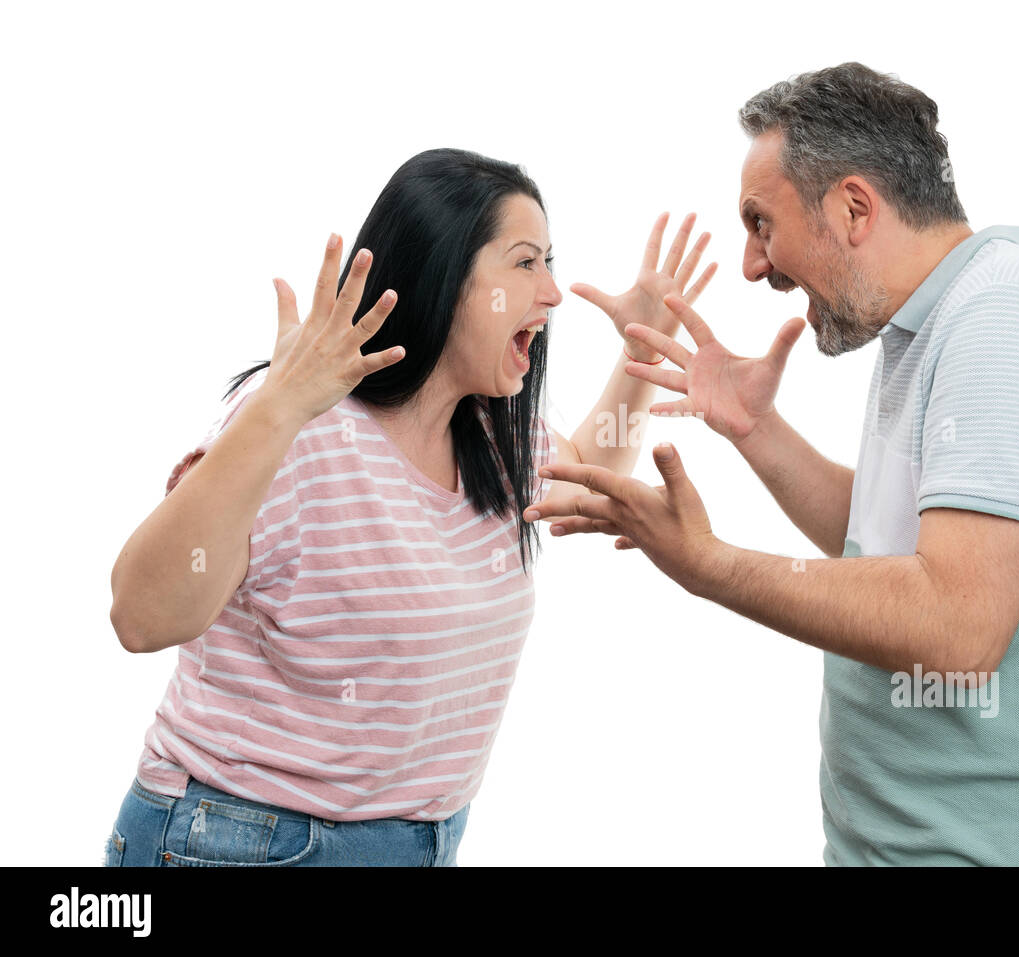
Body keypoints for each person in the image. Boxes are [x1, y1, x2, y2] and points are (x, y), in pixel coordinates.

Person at [526, 63, 1019, 866]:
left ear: (854, 207)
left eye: (761, 223)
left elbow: (955, 623)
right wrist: (759, 431)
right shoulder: (934, 323)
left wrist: (709, 565)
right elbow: (898, 550)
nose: (754, 265)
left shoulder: (1009, 322)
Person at [105, 147, 716, 866]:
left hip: (417, 843)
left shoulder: (489, 433)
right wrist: (278, 409)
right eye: (525, 263)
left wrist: (645, 350)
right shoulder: (303, 424)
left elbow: (580, 490)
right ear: (444, 271)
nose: (552, 293)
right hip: (244, 840)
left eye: (550, 260)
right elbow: (142, 616)